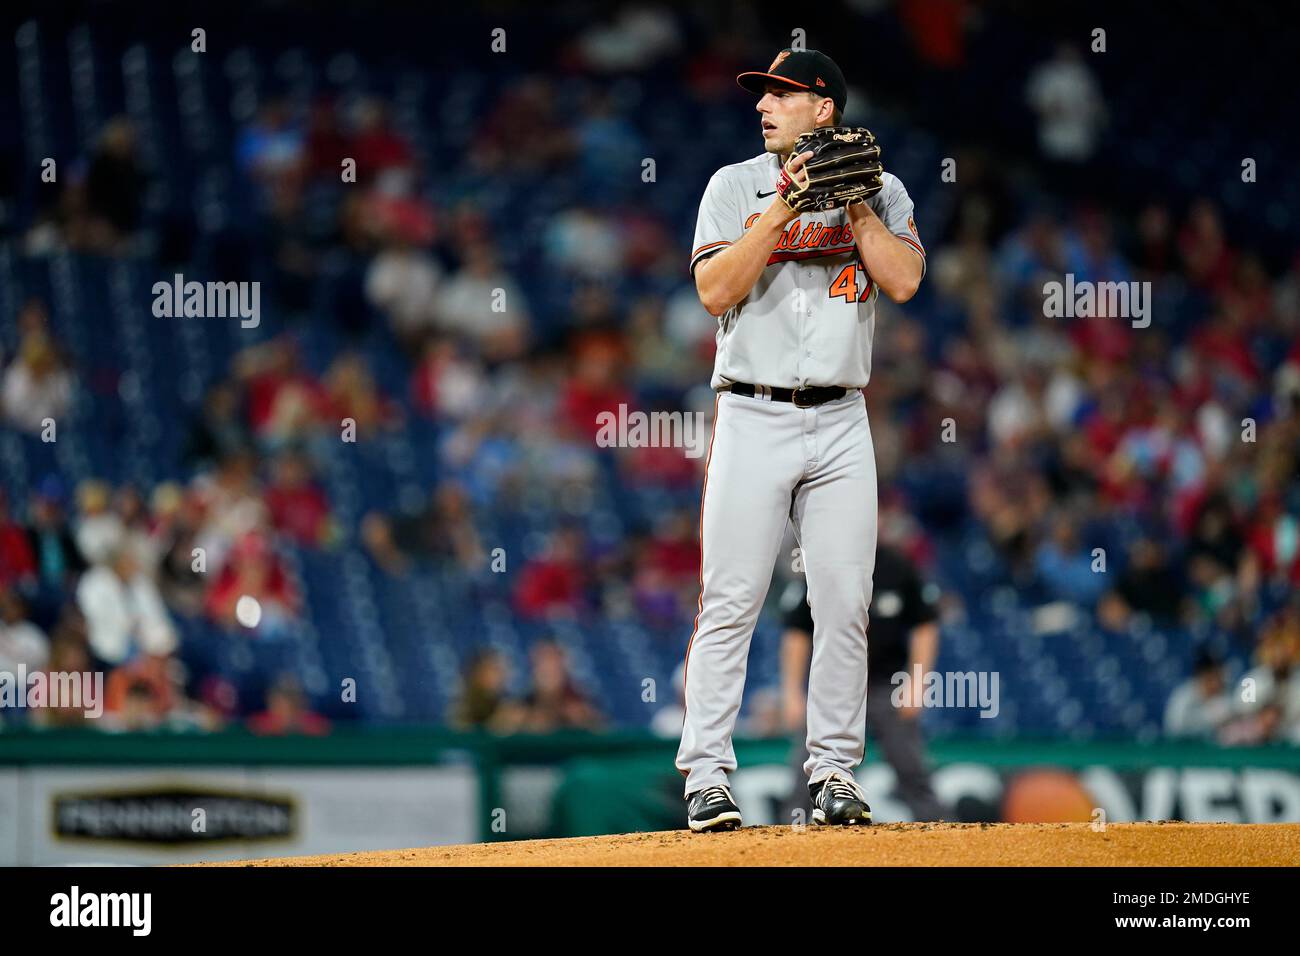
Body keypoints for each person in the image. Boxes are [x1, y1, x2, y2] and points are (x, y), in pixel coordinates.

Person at [676, 49, 924, 832]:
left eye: (782, 94)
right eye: (763, 95)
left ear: (826, 108)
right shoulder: (732, 185)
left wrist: (854, 210)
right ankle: (707, 777)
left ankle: (833, 775)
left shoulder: (882, 189)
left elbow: (906, 279)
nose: (764, 104)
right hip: (753, 413)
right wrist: (784, 208)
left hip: (843, 419)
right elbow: (714, 288)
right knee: (732, 600)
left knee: (845, 602)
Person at [779, 542, 950, 822]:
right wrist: (791, 692)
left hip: (886, 686)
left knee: (912, 770)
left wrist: (918, 682)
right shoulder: (821, 566)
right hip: (832, 690)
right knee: (805, 772)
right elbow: (797, 632)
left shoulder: (897, 566)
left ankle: (943, 837)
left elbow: (925, 624)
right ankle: (787, 837)